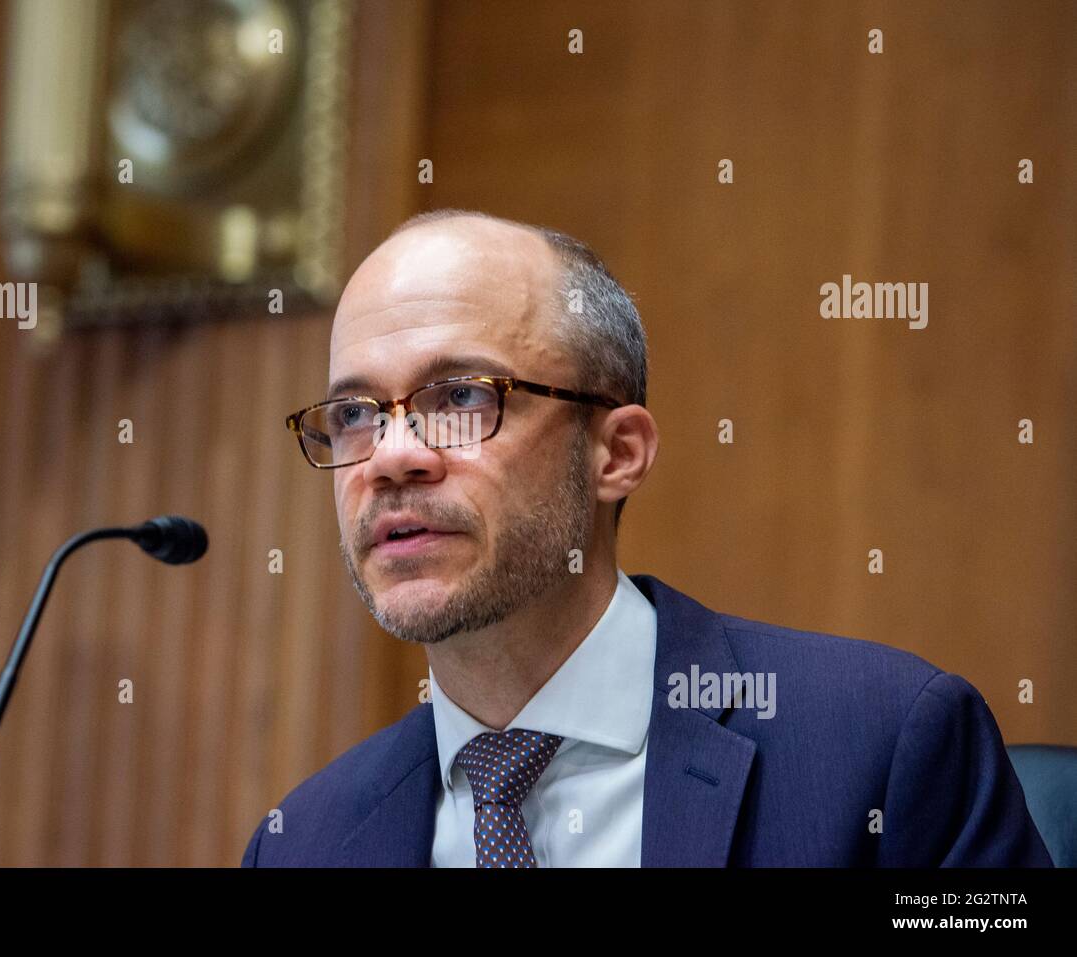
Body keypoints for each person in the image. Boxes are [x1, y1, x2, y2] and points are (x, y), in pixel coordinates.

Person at [242, 208, 1053, 867]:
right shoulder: (303, 842)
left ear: (616, 453)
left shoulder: (883, 746)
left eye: (459, 396)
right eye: (354, 414)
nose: (390, 457)